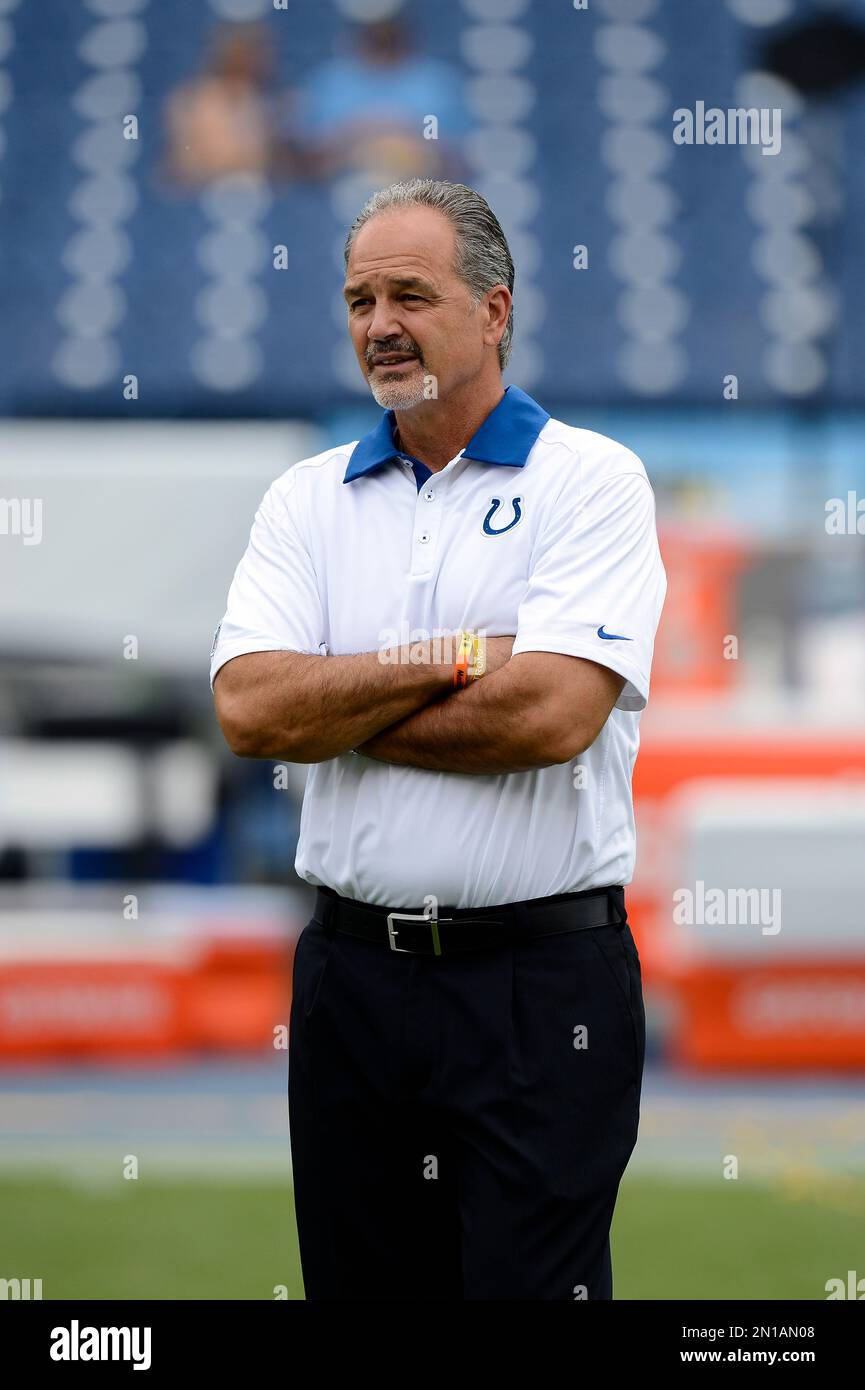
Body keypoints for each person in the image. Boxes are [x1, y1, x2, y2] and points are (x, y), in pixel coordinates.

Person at [210, 178, 667, 1300]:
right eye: (359, 297)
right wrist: (454, 656)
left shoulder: (591, 481)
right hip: (352, 985)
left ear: (494, 311)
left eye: (410, 294)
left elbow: (553, 714)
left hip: (538, 987)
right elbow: (249, 712)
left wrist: (343, 709)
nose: (378, 324)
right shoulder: (305, 499)